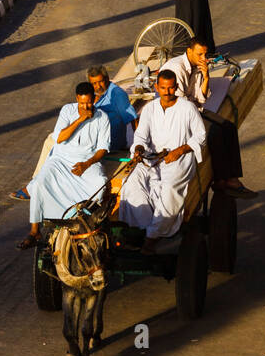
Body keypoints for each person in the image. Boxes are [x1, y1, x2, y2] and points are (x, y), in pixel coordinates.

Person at [118, 70, 207, 250]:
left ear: (176, 87)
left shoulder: (187, 108)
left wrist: (179, 150)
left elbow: (201, 136)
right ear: (157, 87)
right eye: (163, 88)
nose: (166, 92)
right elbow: (141, 135)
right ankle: (142, 228)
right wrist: (138, 149)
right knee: (131, 183)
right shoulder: (150, 108)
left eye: (170, 88)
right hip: (151, 158)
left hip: (179, 159)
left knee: (169, 189)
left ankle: (152, 237)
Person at [17, 82, 111, 249]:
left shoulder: (102, 117)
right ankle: (34, 231)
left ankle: (85, 222)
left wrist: (87, 163)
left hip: (86, 161)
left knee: (100, 183)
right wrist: (81, 119)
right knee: (39, 183)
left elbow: (103, 148)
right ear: (77, 99)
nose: (86, 106)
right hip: (61, 159)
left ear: (94, 99)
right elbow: (60, 138)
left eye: (89, 102)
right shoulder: (67, 110)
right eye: (82, 103)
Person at [162, 39, 255, 198]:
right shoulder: (177, 68)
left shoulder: (198, 66)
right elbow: (179, 104)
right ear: (189, 52)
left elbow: (201, 97)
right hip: (177, 114)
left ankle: (232, 179)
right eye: (200, 54)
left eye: (205, 54)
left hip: (192, 108)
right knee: (213, 133)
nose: (204, 58)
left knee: (228, 127)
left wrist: (205, 77)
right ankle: (219, 181)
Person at [87, 65, 138, 152]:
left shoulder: (117, 94)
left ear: (107, 79)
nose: (98, 86)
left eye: (100, 82)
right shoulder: (92, 94)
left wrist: (139, 144)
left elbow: (133, 119)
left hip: (110, 145)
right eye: (94, 84)